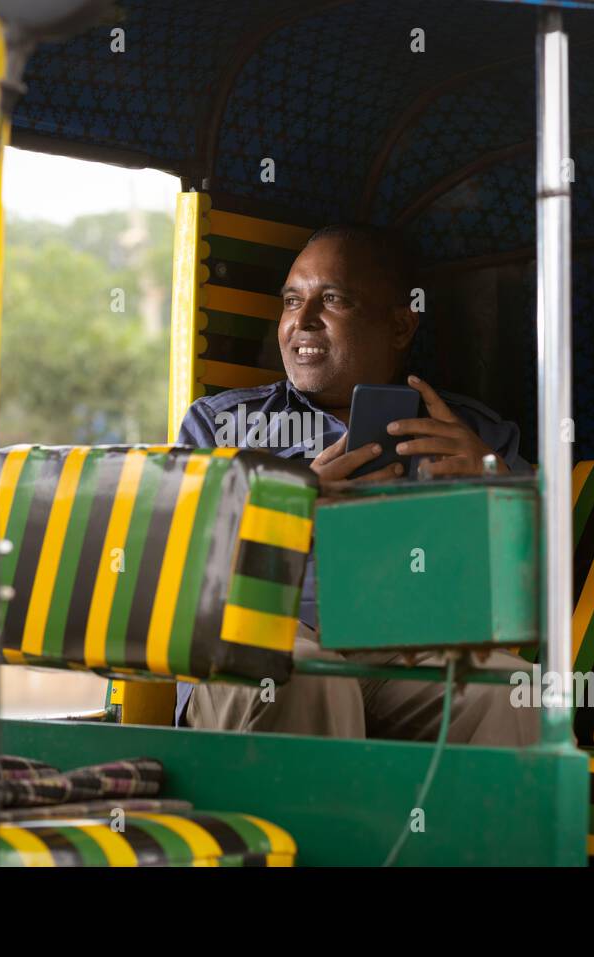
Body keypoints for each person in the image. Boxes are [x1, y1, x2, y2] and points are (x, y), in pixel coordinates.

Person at [174, 223, 537, 747]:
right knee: (309, 674)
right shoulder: (222, 426)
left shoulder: (469, 433)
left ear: (398, 327)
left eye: (334, 300)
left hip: (406, 654)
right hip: (267, 640)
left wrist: (496, 485)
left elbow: (543, 579)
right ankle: (310, 833)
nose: (302, 321)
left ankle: (456, 832)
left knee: (508, 688)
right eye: (292, 300)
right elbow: (172, 570)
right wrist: (286, 517)